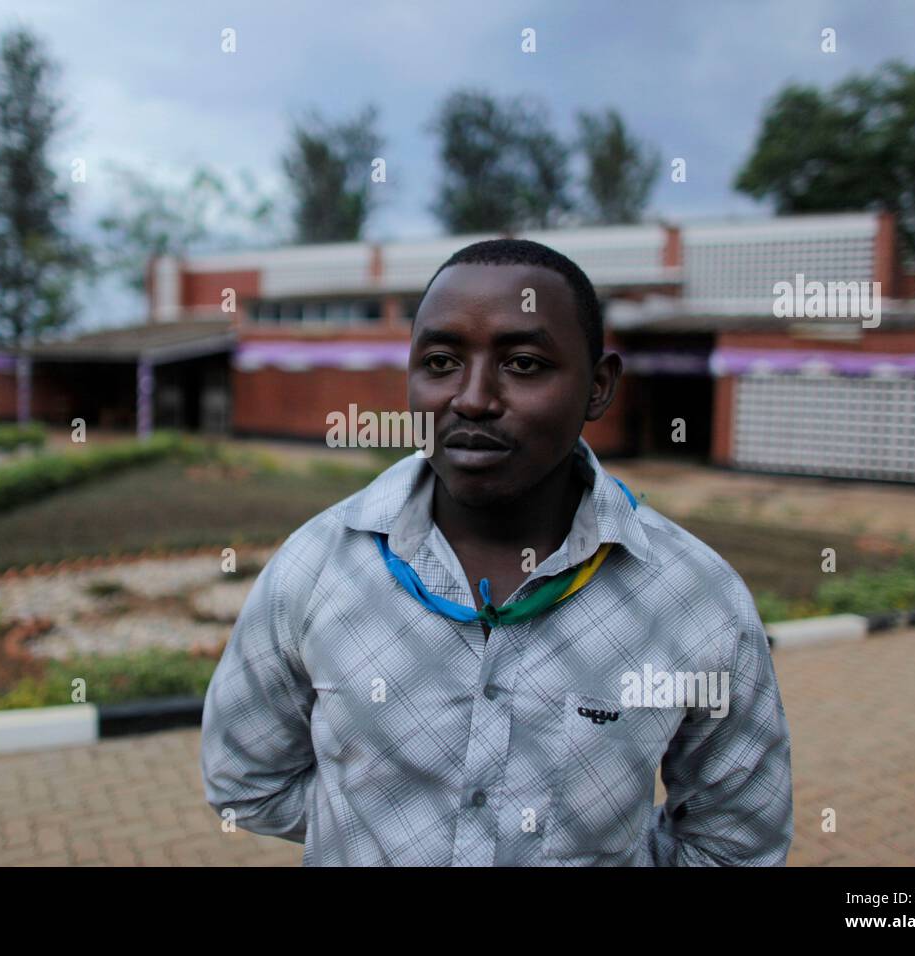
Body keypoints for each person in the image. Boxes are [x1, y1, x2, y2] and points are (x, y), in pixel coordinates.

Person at [200, 238, 793, 866]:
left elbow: (735, 844)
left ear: (597, 387)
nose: (474, 398)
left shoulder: (697, 599)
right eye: (440, 361)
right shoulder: (317, 565)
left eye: (525, 363)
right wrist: (377, 834)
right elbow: (247, 782)